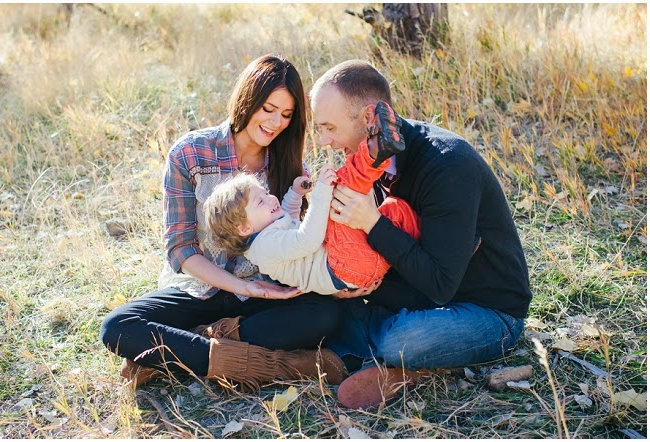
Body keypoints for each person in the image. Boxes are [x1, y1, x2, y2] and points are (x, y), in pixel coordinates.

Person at [99, 54, 353, 390]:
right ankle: (277, 366)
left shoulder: (288, 163)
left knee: (325, 316)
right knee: (118, 326)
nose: (276, 122)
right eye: (268, 108)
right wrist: (243, 287)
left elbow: (297, 236)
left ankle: (187, 349)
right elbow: (180, 250)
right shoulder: (190, 153)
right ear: (248, 98)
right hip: (200, 290)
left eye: (287, 115)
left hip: (265, 292)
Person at [308, 60, 531, 409]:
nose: (324, 142)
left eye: (329, 128)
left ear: (370, 117)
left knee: (403, 339)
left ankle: (393, 357)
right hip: (415, 293)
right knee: (321, 299)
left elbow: (440, 285)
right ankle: (370, 346)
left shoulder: (447, 166)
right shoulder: (370, 161)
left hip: (485, 310)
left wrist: (371, 222)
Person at [204, 134, 420, 295]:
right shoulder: (264, 247)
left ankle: (421, 246)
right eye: (261, 201)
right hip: (344, 266)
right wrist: (321, 193)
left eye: (266, 193)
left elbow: (288, 219)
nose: (271, 198)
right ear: (244, 229)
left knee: (393, 208)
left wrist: (295, 193)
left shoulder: (268, 233)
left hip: (357, 268)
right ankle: (374, 151)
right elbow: (307, 240)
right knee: (339, 198)